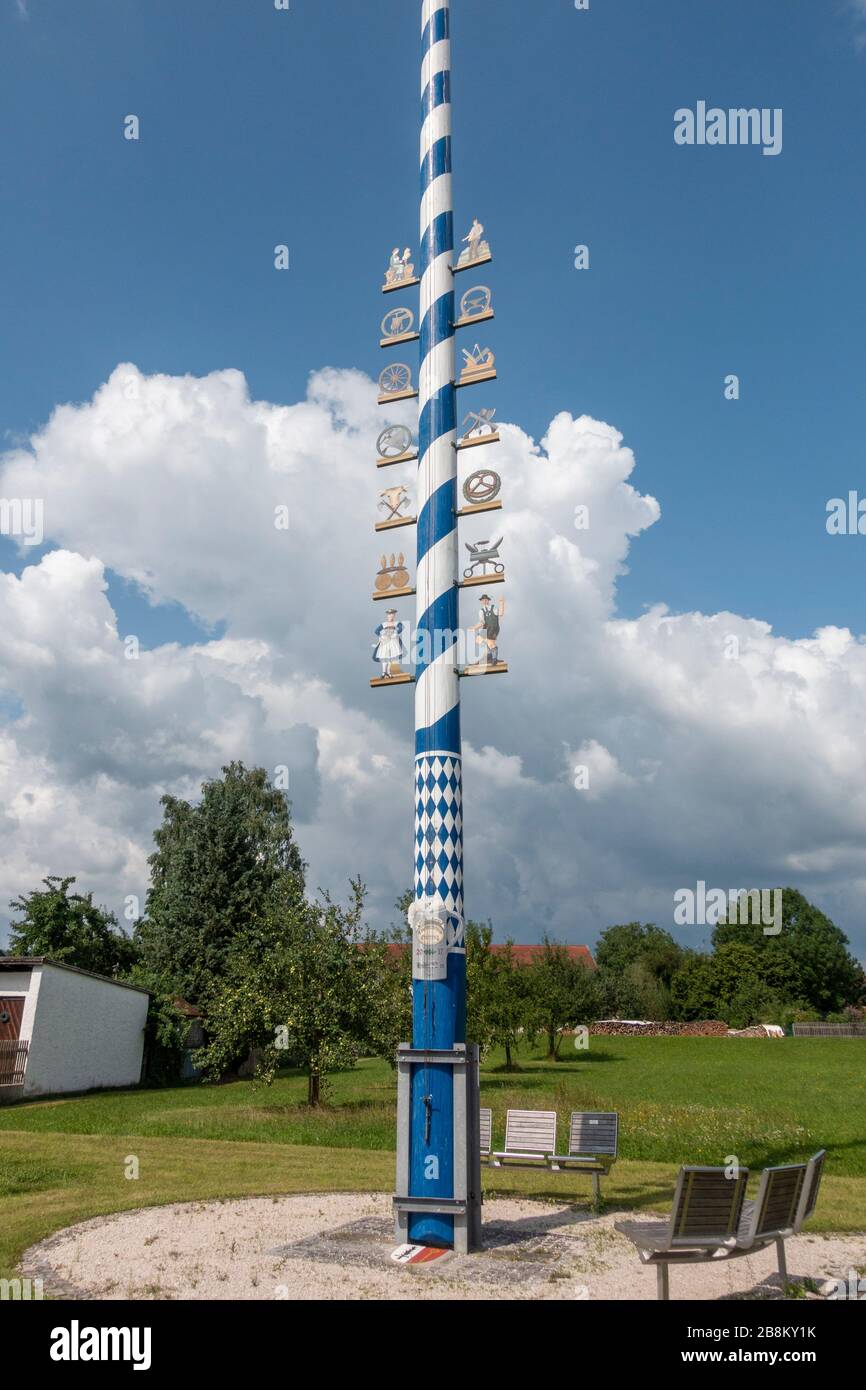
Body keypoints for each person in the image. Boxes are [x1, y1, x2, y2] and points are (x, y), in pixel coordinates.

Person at [472, 593, 505, 666]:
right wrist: (474, 628)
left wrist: (501, 603)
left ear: (488, 601)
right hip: (486, 627)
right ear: (481, 601)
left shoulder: (493, 608)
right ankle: (489, 656)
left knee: (490, 643)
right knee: (479, 640)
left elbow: (501, 613)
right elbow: (482, 622)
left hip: (493, 627)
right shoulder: (481, 611)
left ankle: (494, 658)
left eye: (485, 600)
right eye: (482, 600)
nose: (484, 601)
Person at [373, 609, 406, 678]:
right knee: (384, 657)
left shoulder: (396, 623)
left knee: (391, 658)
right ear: (387, 616)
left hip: (392, 641)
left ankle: (388, 672)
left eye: (392, 615)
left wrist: (396, 633)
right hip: (385, 641)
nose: (391, 616)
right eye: (390, 615)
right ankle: (383, 672)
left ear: (394, 615)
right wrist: (382, 636)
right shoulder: (384, 624)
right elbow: (376, 631)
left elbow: (401, 628)